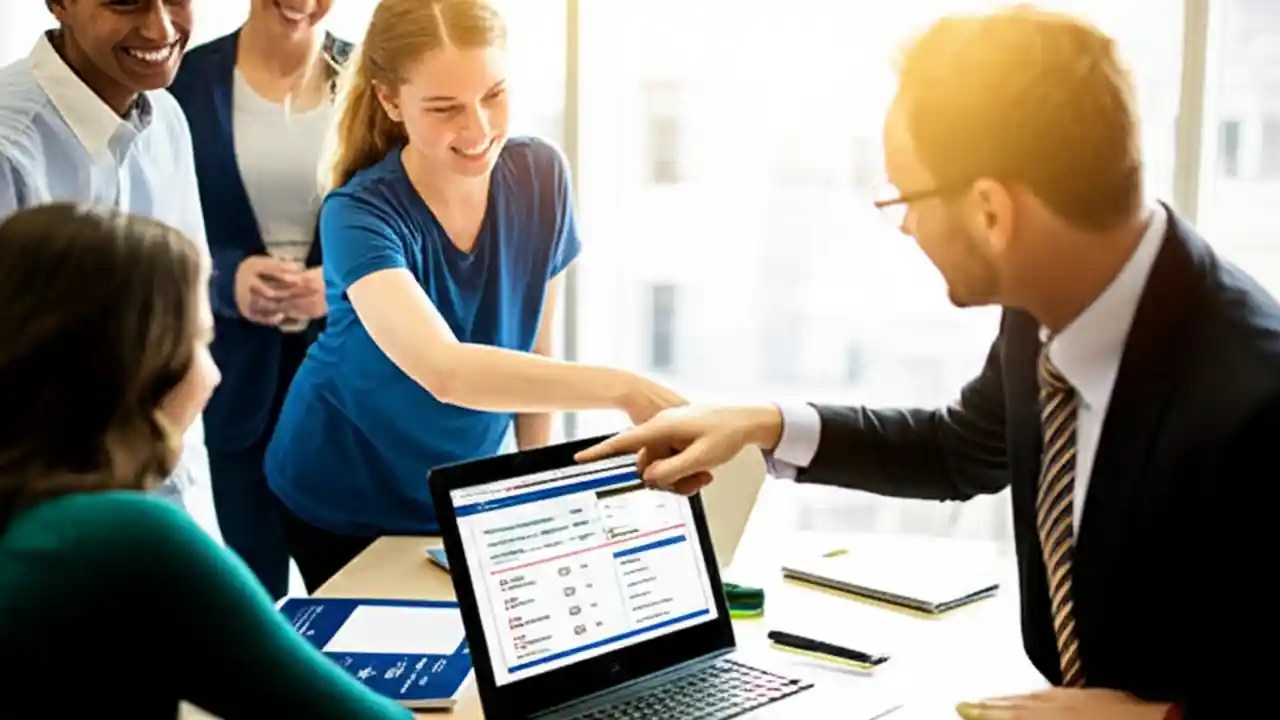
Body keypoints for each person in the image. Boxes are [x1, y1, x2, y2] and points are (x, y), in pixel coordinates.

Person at [577, 6, 1278, 720]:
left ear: (991, 213)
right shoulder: (1046, 298)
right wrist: (758, 424)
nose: (906, 223)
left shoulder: (1255, 398)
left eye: (906, 196)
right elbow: (959, 449)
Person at [264, 0, 685, 593]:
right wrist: (626, 388)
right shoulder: (358, 214)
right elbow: (446, 371)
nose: (479, 128)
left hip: (464, 490)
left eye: (494, 95)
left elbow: (535, 358)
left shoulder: (540, 174)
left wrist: (540, 488)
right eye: (444, 108)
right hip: (344, 490)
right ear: (391, 101)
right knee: (394, 680)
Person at [0, 203, 412, 719]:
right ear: (142, 365)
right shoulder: (119, 540)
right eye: (201, 340)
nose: (213, 376)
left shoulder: (34, 527)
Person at [0, 0, 221, 541]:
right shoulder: (9, 154)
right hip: (66, 536)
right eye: (126, 3)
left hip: (177, 506)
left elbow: (189, 325)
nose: (161, 27)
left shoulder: (166, 117)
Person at [168, 0, 350, 600]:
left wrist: (342, 282)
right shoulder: (184, 80)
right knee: (254, 598)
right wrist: (227, 277)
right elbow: (154, 218)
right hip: (235, 380)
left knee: (355, 589)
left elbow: (407, 215)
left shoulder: (372, 81)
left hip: (343, 385)